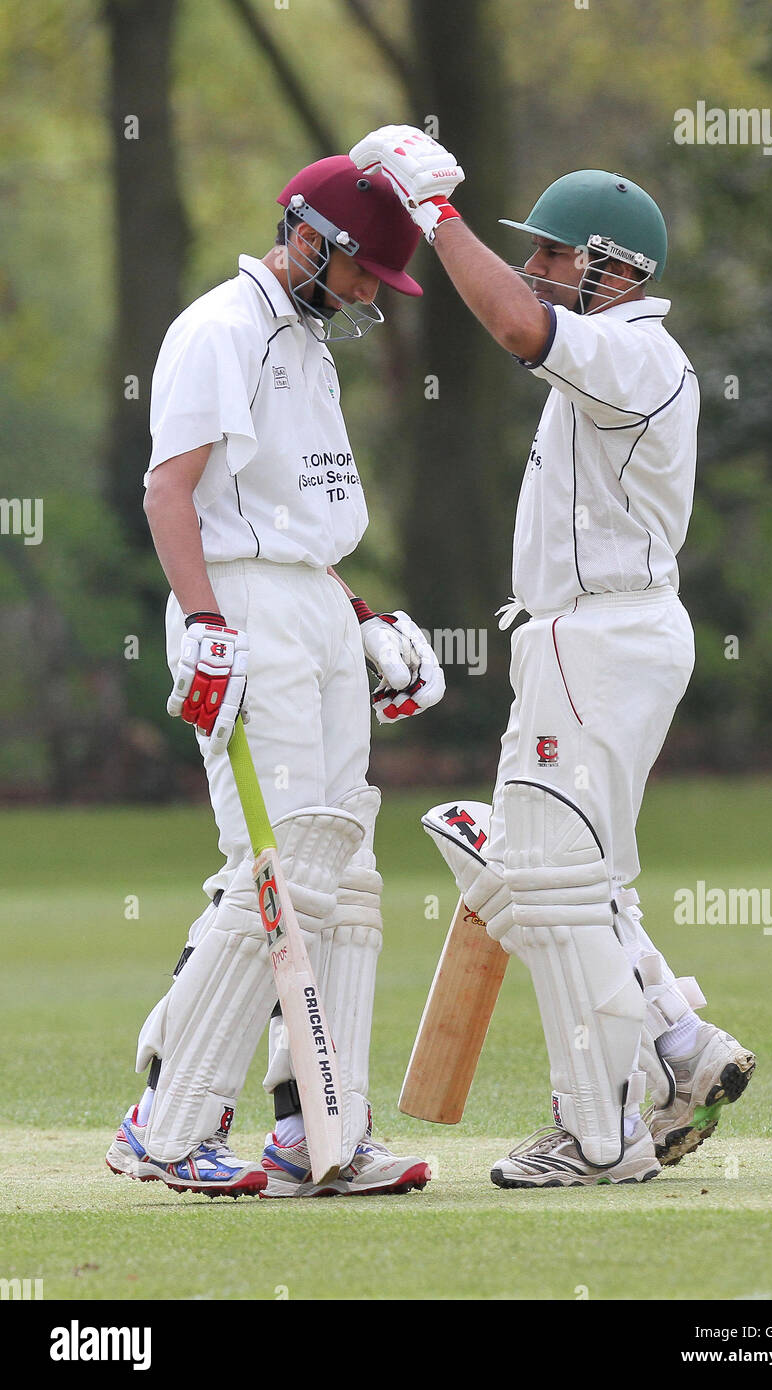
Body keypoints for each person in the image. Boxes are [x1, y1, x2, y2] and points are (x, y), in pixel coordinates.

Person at [349, 126, 755, 1187]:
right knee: (565, 880)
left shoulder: (630, 350)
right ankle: (675, 1043)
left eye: (550, 253)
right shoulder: (618, 358)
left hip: (599, 637)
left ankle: (600, 1134)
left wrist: (437, 214)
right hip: (583, 639)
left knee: (553, 886)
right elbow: (528, 315)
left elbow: (516, 325)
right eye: (526, 250)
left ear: (611, 267)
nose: (531, 267)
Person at [105, 156, 443, 1198]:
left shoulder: (305, 345)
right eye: (359, 277)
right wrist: (205, 623)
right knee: (280, 869)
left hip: (307, 605)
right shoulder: (219, 328)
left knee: (342, 877)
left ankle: (318, 1130)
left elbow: (295, 522)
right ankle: (164, 1126)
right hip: (239, 608)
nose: (361, 298)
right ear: (311, 239)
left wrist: (362, 616)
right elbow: (171, 493)